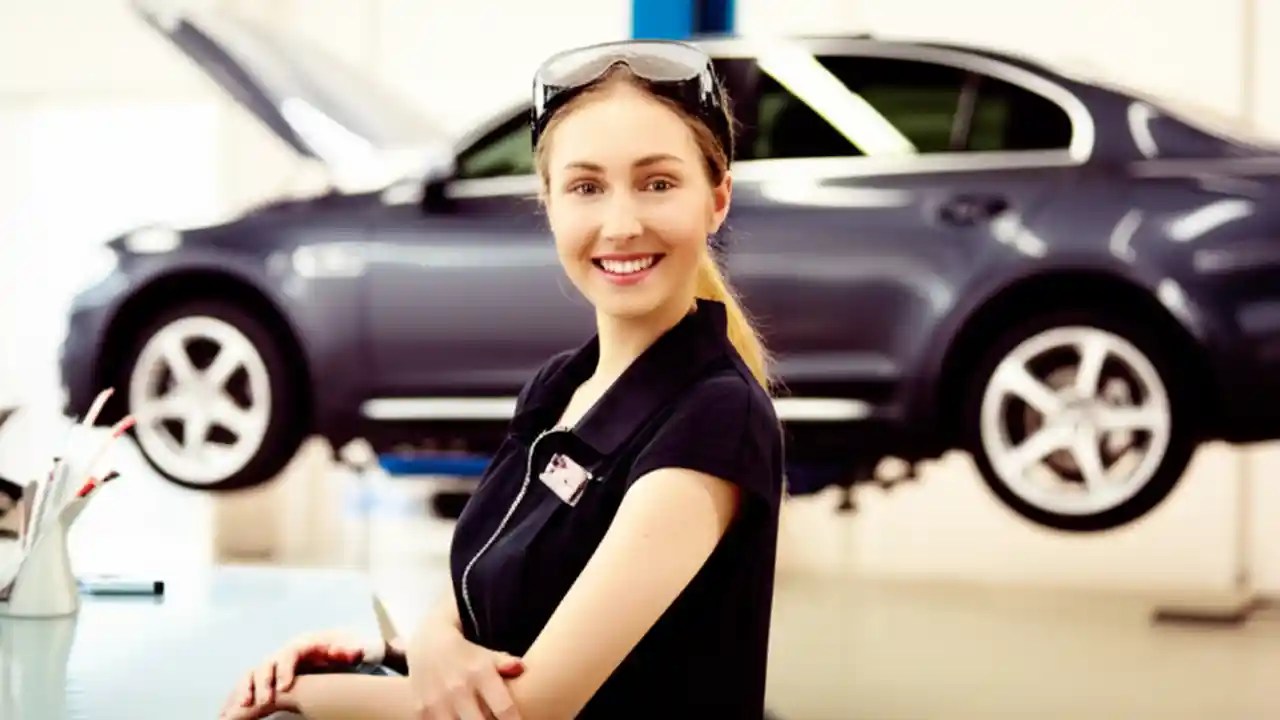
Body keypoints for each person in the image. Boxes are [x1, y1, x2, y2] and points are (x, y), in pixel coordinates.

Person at [220, 39, 784, 720]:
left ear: (717, 199)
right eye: (586, 187)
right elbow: (488, 601)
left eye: (658, 184)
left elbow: (530, 708)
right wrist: (405, 650)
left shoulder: (714, 419)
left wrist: (297, 695)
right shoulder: (558, 389)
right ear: (548, 204)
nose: (621, 224)